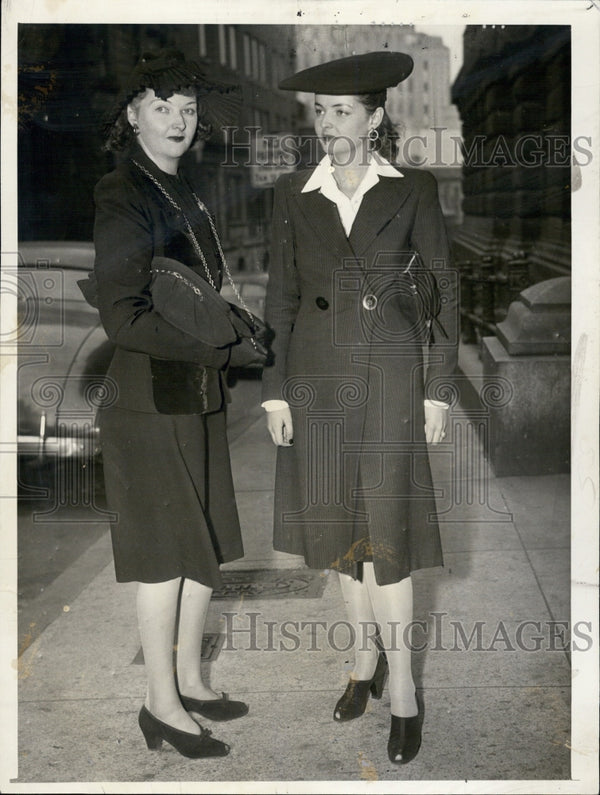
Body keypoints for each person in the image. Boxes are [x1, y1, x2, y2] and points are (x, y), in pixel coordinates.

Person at [262, 52, 458, 765]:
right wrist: (275, 389)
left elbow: (442, 291)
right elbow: (280, 296)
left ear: (376, 118)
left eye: (343, 110)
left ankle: (403, 687)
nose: (329, 124)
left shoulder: (413, 190)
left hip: (390, 378)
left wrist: (437, 388)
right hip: (315, 384)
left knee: (389, 539)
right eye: (320, 111)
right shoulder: (293, 192)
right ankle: (362, 660)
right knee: (340, 538)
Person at [91, 49, 250, 759]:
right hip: (150, 403)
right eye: (163, 107)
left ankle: (188, 675)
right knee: (163, 555)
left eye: (187, 109)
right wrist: (216, 349)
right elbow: (123, 317)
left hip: (193, 395)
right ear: (132, 114)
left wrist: (237, 328)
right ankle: (160, 705)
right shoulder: (123, 190)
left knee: (200, 543)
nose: (179, 121)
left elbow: (200, 295)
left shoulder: (186, 190)